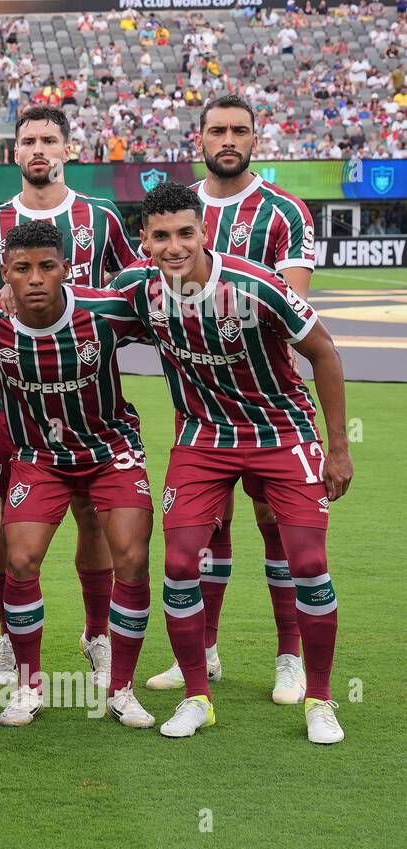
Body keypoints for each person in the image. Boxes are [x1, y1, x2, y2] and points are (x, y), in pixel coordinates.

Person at [109, 183, 351, 743]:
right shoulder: (135, 290)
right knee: (177, 563)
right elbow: (78, 311)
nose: (175, 247)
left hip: (281, 433)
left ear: (204, 233)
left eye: (185, 233)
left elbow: (324, 353)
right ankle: (198, 696)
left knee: (309, 562)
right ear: (144, 241)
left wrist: (338, 448)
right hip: (203, 438)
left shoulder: (256, 284)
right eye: (162, 236)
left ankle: (320, 699)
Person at [0, 105, 141, 690]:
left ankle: (98, 633)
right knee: (11, 518)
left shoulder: (101, 218)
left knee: (92, 512)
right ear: (14, 153)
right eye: (27, 140)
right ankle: (10, 637)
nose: (38, 149)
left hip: (87, 391)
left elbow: (134, 288)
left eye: (49, 140)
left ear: (67, 149)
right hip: (16, 399)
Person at [144, 94, 321, 703]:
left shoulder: (283, 212)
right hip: (197, 405)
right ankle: (207, 654)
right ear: (198, 139)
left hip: (267, 403)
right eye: (216, 130)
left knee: (278, 527)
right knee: (205, 530)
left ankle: (290, 656)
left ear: (255, 138)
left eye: (238, 130)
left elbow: (292, 311)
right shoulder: (179, 208)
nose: (228, 139)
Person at [0, 222, 156, 728]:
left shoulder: (106, 311)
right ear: (4, 275)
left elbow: (174, 322)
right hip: (40, 456)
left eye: (47, 266)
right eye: (22, 269)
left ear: (66, 268)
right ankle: (29, 684)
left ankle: (122, 688)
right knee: (21, 558)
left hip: (111, 451)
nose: (36, 279)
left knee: (131, 557)